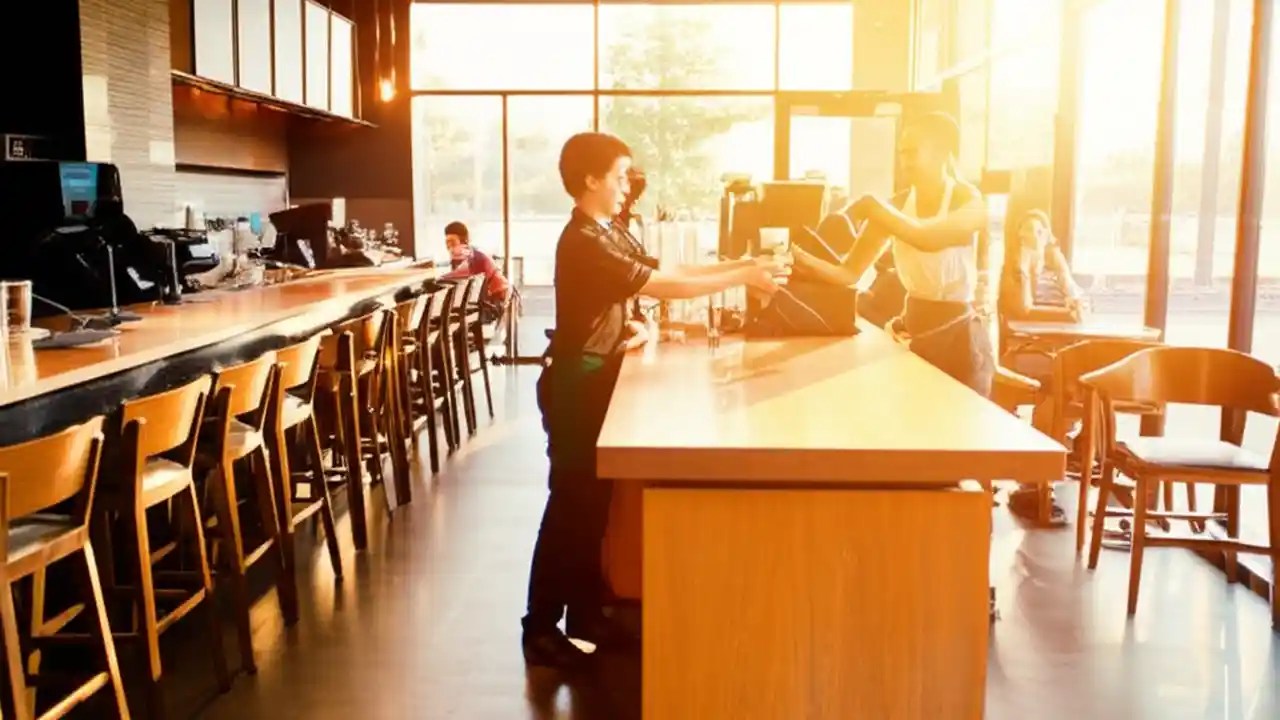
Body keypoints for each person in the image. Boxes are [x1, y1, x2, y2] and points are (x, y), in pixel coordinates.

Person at [523, 131, 788, 671]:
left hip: (598, 377)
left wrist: (739, 265)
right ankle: (541, 627)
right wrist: (742, 275)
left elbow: (668, 274)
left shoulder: (609, 231)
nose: (628, 185)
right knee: (571, 508)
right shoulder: (584, 241)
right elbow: (665, 286)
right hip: (578, 383)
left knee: (594, 508)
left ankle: (586, 616)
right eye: (621, 175)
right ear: (591, 179)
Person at [792, 111, 994, 396]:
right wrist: (800, 258)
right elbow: (848, 273)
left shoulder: (971, 202)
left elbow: (927, 239)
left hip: (961, 342)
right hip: (913, 334)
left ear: (941, 152)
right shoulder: (895, 205)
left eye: (913, 152)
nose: (905, 161)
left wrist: (876, 208)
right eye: (902, 153)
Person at [999, 209, 1084, 325]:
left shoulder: (1055, 264)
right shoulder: (1014, 270)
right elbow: (1024, 310)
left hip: (1063, 330)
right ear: (1020, 237)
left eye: (1041, 232)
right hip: (1031, 333)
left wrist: (1074, 301)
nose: (1035, 236)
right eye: (1030, 230)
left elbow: (1075, 302)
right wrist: (1024, 266)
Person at [441, 221, 510, 321]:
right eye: (446, 242)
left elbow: (460, 274)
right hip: (496, 300)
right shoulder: (474, 252)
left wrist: (438, 279)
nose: (448, 246)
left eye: (452, 242)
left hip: (493, 304)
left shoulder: (467, 255)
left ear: (463, 240)